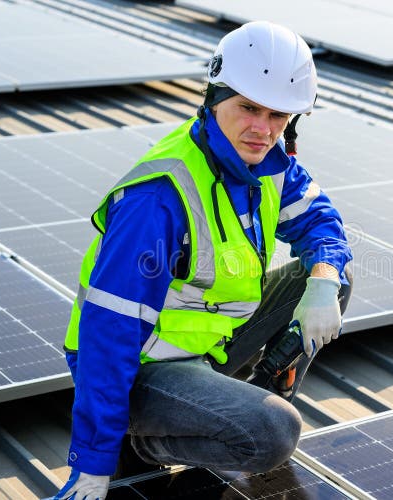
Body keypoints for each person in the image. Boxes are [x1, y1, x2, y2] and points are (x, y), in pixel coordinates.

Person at [53, 20, 353, 500]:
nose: (262, 128)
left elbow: (321, 222)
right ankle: (145, 442)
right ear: (215, 99)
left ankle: (260, 388)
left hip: (208, 344)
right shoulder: (158, 200)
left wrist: (323, 279)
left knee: (330, 277)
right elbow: (108, 338)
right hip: (142, 368)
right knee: (272, 433)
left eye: (279, 116)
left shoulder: (271, 162)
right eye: (249, 107)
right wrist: (92, 464)